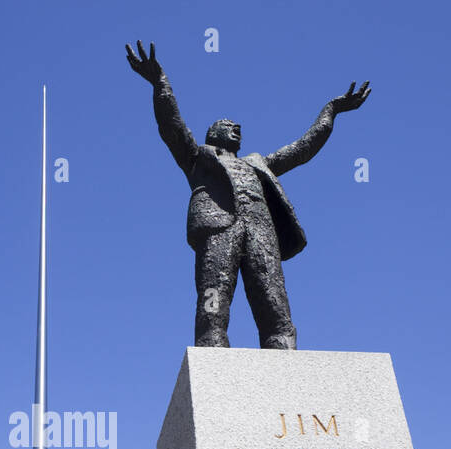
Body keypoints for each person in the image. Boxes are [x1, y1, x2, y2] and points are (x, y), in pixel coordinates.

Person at [125, 41, 369, 350]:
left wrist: (330, 111)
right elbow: (171, 124)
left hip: (260, 230)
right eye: (228, 125)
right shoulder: (198, 157)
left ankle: (281, 348)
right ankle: (212, 349)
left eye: (237, 125)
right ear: (212, 134)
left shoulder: (258, 163)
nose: (236, 127)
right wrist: (160, 82)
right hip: (219, 225)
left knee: (273, 297)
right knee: (215, 293)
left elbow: (303, 148)